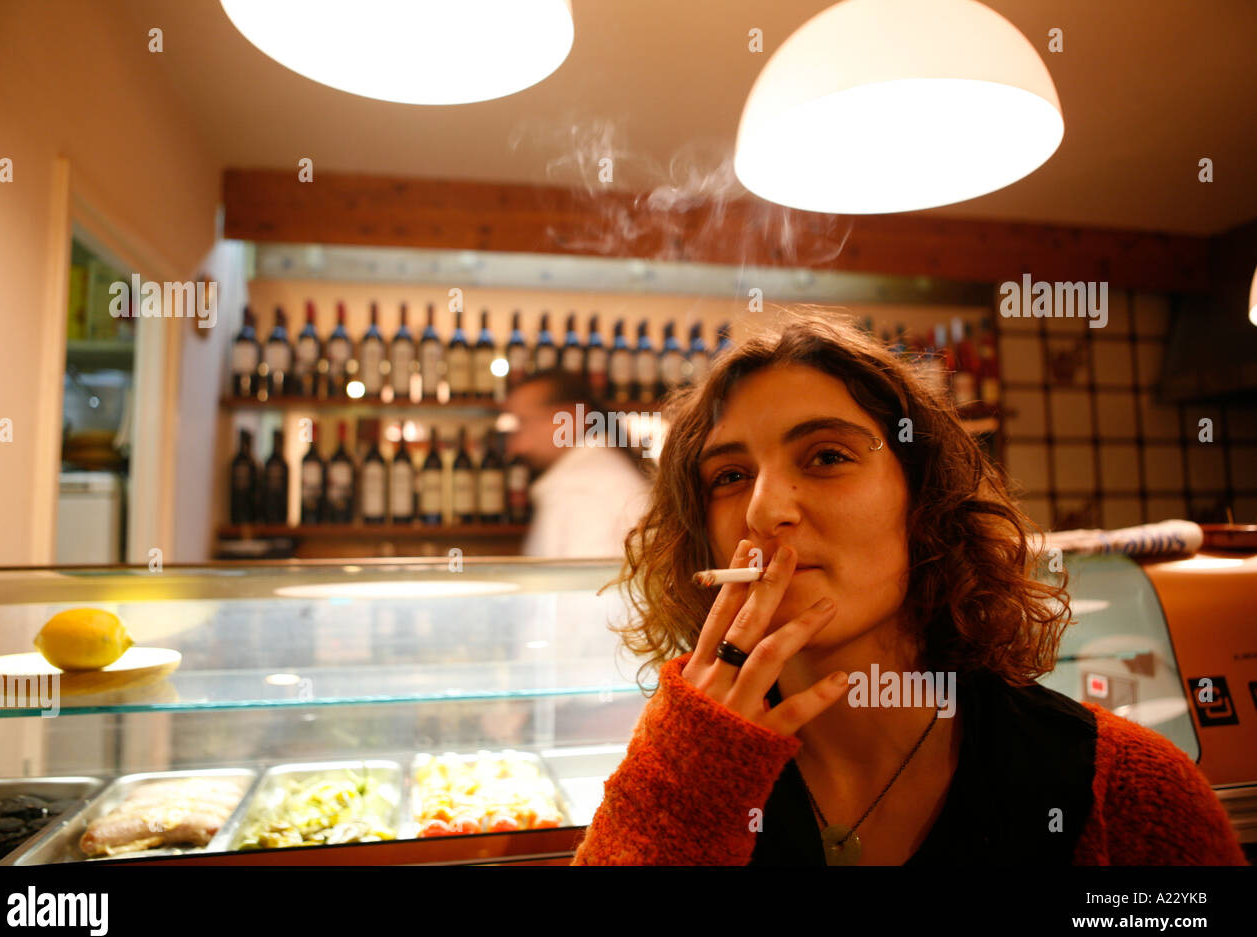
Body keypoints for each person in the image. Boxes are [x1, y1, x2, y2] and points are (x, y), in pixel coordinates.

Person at [572, 311, 1247, 866]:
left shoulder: (1122, 792)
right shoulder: (685, 767)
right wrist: (686, 797)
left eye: (827, 456)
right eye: (729, 475)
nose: (764, 510)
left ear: (925, 498)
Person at [503, 369, 650, 559]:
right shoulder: (591, 475)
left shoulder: (585, 491)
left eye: (524, 422)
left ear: (567, 420)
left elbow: (587, 585)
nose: (516, 446)